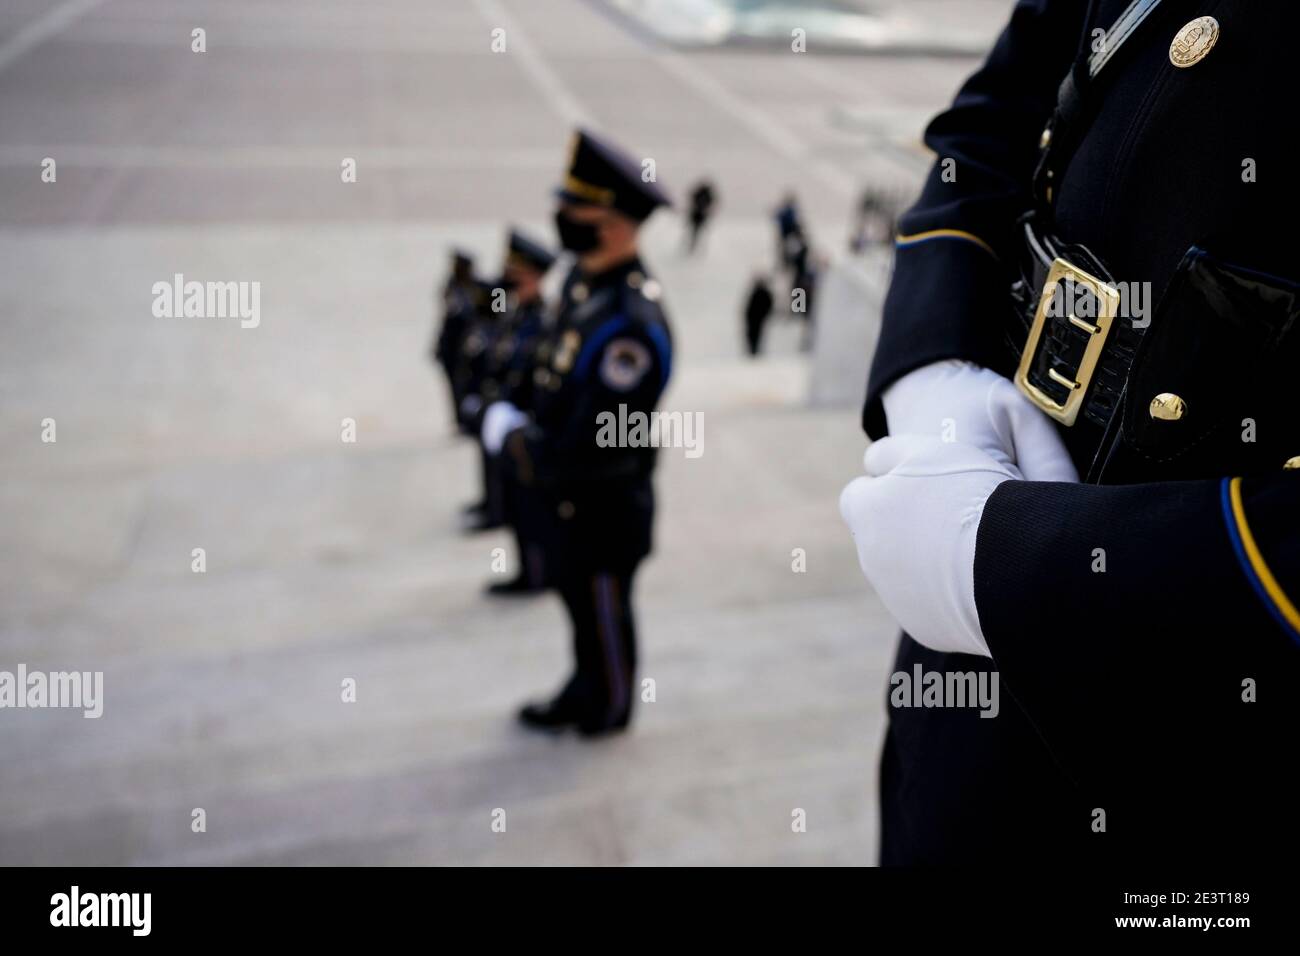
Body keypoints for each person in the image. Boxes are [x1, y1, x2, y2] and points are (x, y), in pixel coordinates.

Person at [840, 0, 1299, 866]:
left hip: (1210, 735)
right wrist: (932, 361)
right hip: (970, 628)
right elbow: (992, 119)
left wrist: (1008, 563)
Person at [481, 129, 673, 736]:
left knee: (603, 611)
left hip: (603, 507)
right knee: (578, 609)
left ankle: (610, 704)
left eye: (575, 210)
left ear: (615, 224)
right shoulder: (585, 286)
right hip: (569, 504)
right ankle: (583, 685)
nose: (560, 219)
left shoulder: (629, 326)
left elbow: (597, 439)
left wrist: (515, 443)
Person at [477, 228, 557, 595]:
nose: (510, 280)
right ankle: (528, 569)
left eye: (517, 274)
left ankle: (537, 574)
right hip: (510, 425)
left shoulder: (544, 321)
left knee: (531, 508)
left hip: (530, 429)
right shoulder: (515, 315)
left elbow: (543, 379)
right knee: (515, 504)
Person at [742, 271, 773, 357]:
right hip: (754, 318)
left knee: (755, 335)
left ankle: (754, 351)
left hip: (757, 318)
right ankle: (753, 351)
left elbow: (769, 305)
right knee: (753, 335)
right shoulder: (758, 292)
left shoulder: (762, 293)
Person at [684, 179, 716, 253]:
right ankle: (692, 245)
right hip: (699, 215)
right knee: (695, 231)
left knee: (694, 231)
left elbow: (691, 197)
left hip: (697, 215)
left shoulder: (700, 193)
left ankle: (692, 246)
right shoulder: (707, 194)